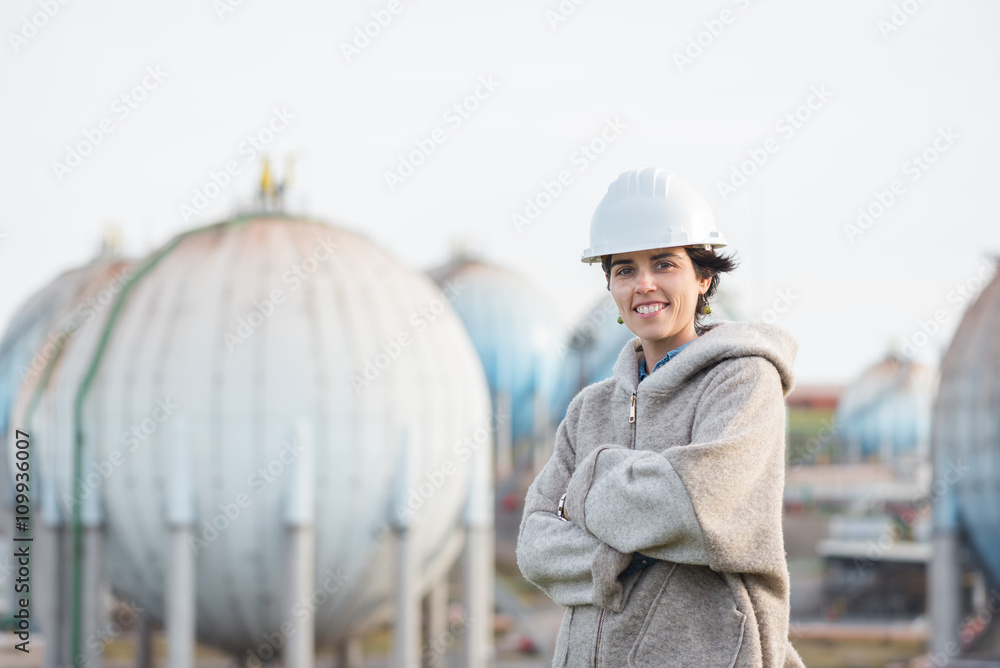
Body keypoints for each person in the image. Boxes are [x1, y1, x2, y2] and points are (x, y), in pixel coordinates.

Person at [516, 168, 806, 667]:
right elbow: (535, 547)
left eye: (664, 263)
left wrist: (587, 484)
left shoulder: (742, 381)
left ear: (703, 276)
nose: (644, 284)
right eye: (625, 269)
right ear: (610, 285)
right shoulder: (589, 409)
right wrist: (624, 553)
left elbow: (698, 505)